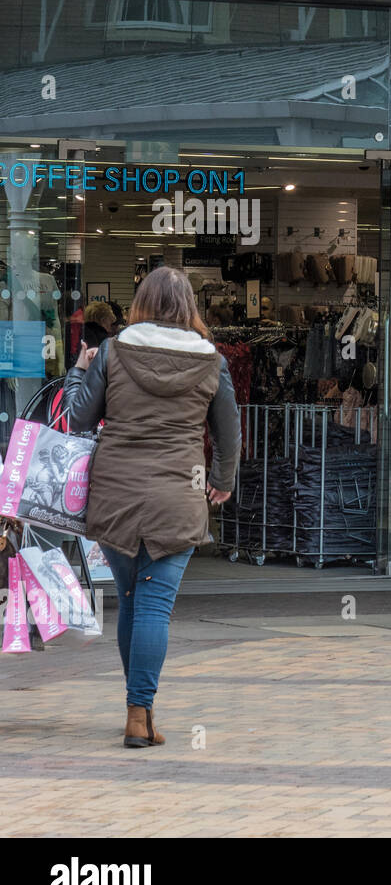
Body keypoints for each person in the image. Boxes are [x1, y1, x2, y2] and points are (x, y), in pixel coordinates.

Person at [62, 267, 240, 748]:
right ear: (188, 307)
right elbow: (228, 429)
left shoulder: (114, 352)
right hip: (178, 496)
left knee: (132, 603)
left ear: (140, 302)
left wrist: (78, 369)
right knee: (154, 609)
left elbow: (79, 416)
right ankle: (140, 713)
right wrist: (221, 481)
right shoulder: (212, 361)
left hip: (115, 494)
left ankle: (137, 710)